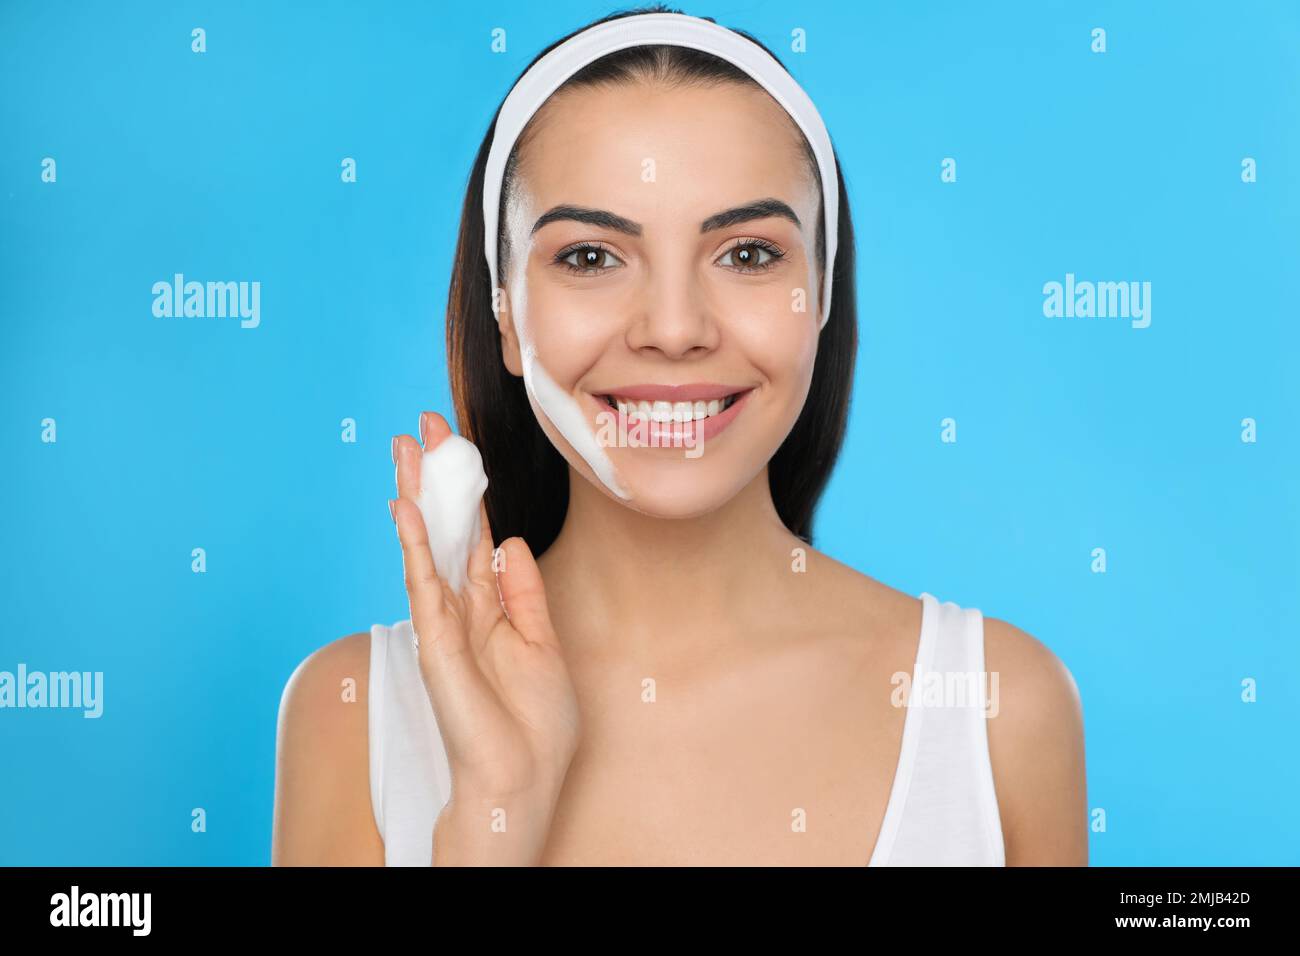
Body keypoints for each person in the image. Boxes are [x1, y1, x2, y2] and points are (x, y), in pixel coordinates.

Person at [272, 6, 1087, 866]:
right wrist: (494, 810)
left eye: (747, 254)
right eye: (590, 256)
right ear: (505, 317)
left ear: (822, 299)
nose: (673, 327)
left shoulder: (996, 708)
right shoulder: (353, 713)